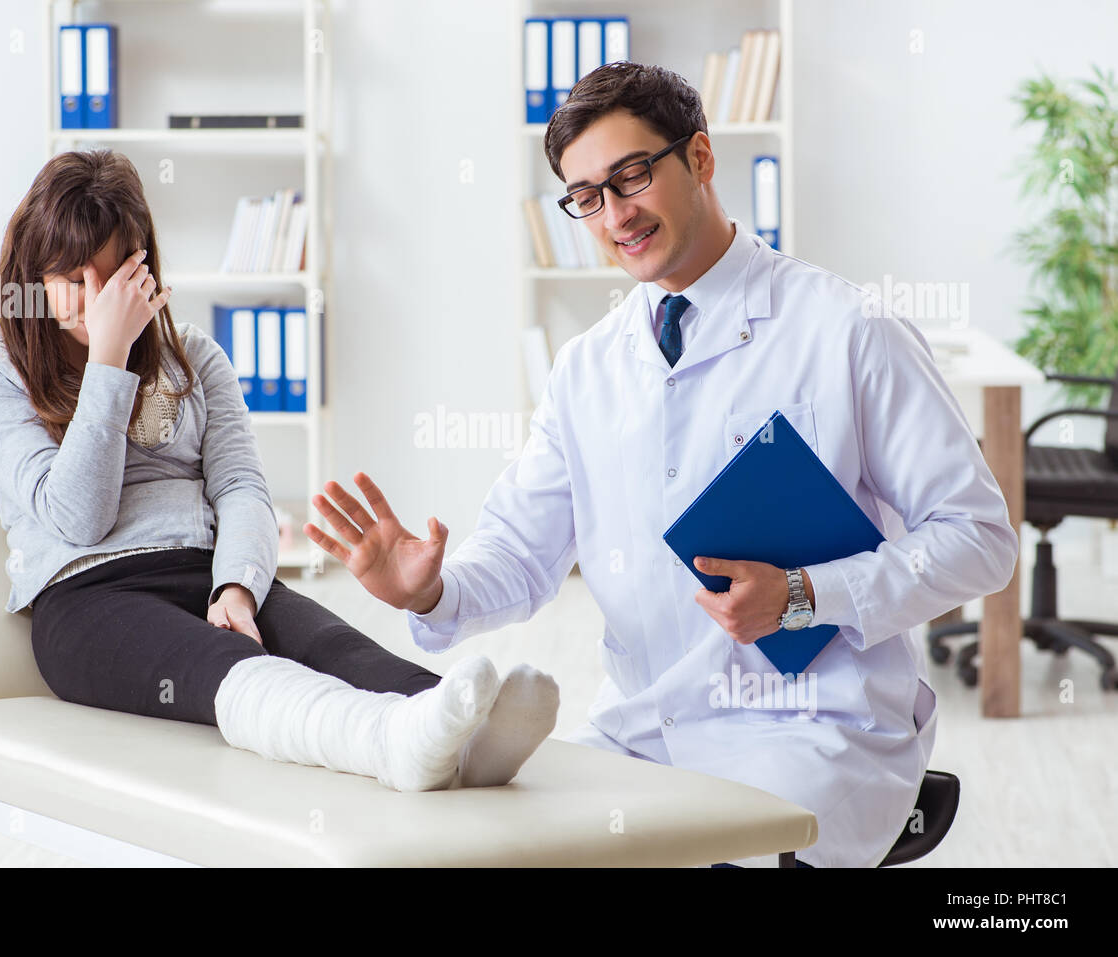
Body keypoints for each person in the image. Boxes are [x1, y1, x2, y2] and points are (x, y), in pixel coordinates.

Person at [305, 62, 1018, 863]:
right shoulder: (586, 369)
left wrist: (803, 594)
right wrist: (430, 588)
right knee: (504, 848)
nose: (615, 215)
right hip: (645, 727)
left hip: (815, 724)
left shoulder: (847, 328)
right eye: (586, 197)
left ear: (702, 159)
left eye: (631, 175)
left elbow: (980, 537)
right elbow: (520, 554)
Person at [0, 149, 560, 793]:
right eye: (74, 280)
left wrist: (236, 586)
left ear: (145, 270)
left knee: (336, 647)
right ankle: (388, 743)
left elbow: (241, 488)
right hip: (87, 598)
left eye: (115, 277)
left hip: (207, 568)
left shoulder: (196, 359)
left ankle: (475, 735)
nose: (97, 300)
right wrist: (110, 357)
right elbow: (78, 517)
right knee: (232, 664)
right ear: (32, 275)